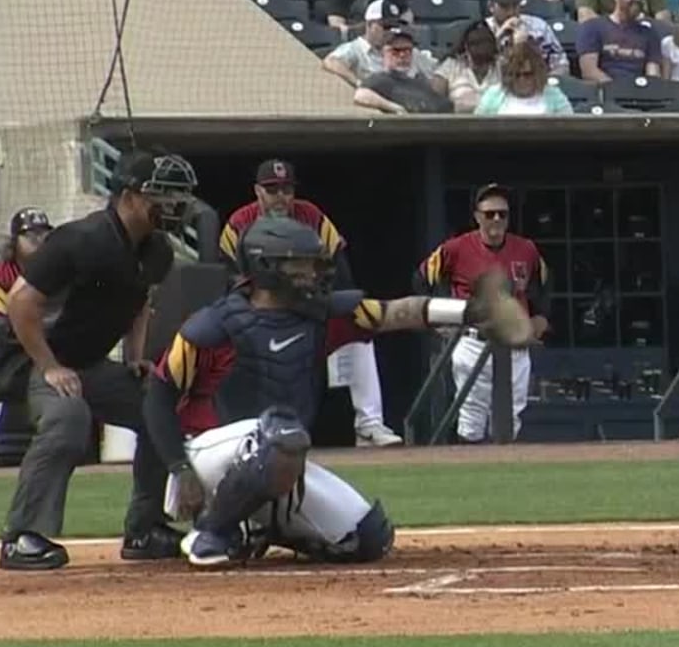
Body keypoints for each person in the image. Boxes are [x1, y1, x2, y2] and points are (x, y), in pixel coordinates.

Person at [147, 217, 532, 565]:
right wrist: (179, 470)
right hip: (211, 458)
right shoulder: (213, 327)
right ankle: (212, 532)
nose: (313, 275)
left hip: (281, 459)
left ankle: (263, 528)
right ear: (267, 267)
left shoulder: (320, 316)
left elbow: (399, 311)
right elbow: (158, 396)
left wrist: (472, 313)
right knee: (279, 432)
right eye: (300, 265)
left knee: (367, 538)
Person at [0, 151, 196, 570]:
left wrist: (136, 359)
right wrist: (49, 365)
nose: (174, 206)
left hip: (90, 363)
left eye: (178, 197)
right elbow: (20, 302)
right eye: (162, 196)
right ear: (128, 196)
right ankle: (23, 537)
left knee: (160, 407)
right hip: (37, 359)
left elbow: (140, 303)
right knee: (69, 420)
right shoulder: (80, 239)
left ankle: (145, 528)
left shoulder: (155, 250)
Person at [218, 159, 401, 449]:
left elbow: (339, 269)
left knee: (360, 331)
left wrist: (327, 305)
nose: (281, 197)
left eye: (287, 189)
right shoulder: (239, 223)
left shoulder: (311, 216)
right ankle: (232, 433)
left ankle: (369, 424)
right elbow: (228, 279)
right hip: (260, 314)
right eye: (273, 189)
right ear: (257, 192)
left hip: (309, 309)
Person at [415, 184, 549, 443]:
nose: (497, 219)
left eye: (502, 214)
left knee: (512, 416)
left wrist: (541, 316)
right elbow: (421, 279)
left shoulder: (527, 249)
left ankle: (504, 473)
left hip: (514, 344)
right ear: (477, 216)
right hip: (473, 341)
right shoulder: (454, 248)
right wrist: (441, 321)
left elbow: (542, 284)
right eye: (489, 214)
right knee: (472, 417)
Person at [0, 207, 53, 465]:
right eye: (31, 235)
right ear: (14, 242)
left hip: (36, 355)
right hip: (1, 356)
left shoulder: (58, 272)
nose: (39, 241)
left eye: (44, 235)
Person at [578, 0, 664, 83]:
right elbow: (589, 71)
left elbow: (653, 75)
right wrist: (618, 90)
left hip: (639, 94)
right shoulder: (593, 27)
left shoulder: (649, 33)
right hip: (604, 93)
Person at [353, 27, 455, 114]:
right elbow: (361, 95)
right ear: (383, 53)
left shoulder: (421, 82)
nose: (402, 55)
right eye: (395, 51)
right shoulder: (380, 79)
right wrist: (395, 108)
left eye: (407, 51)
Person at [476, 39, 576, 114]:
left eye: (527, 74)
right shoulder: (493, 96)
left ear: (537, 73)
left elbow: (570, 130)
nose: (522, 79)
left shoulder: (554, 96)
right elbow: (477, 130)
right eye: (516, 75)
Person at [432, 20, 503, 113]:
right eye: (475, 43)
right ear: (466, 48)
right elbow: (434, 102)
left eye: (485, 42)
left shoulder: (502, 67)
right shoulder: (450, 66)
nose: (481, 47)